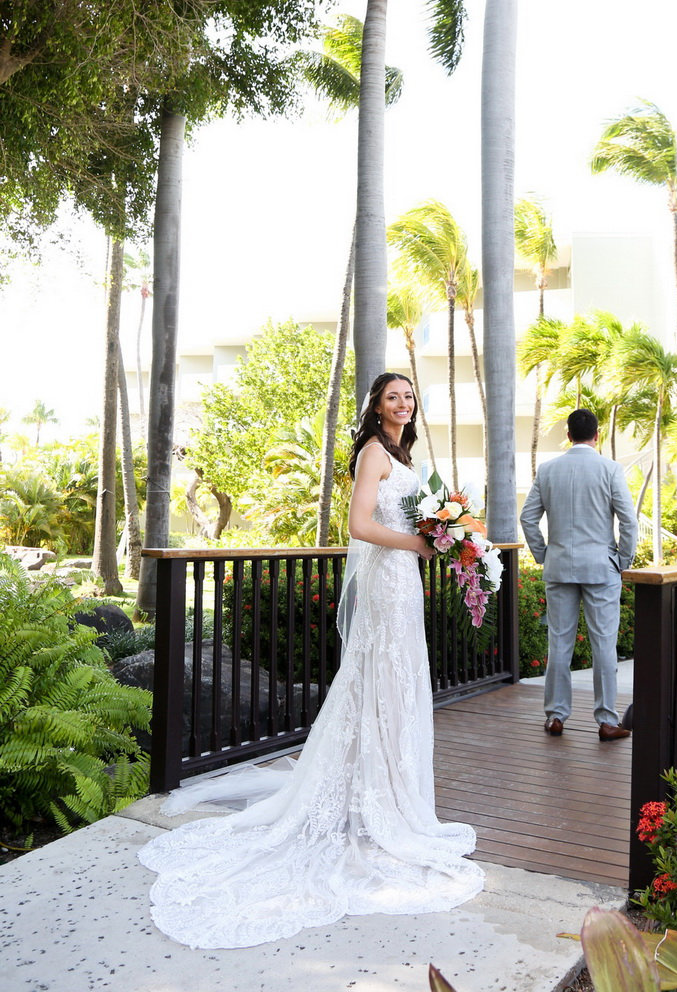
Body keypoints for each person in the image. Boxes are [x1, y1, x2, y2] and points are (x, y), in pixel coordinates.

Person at [140, 372, 483, 949]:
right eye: (393, 397)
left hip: (404, 580)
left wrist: (447, 535)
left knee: (396, 683)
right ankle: (375, 800)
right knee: (380, 680)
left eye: (408, 396)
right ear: (377, 406)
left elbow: (412, 518)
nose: (403, 403)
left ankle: (390, 793)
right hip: (387, 578)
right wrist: (420, 543)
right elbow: (359, 525)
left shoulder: (405, 455)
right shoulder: (373, 453)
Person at [521, 408, 638, 741]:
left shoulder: (548, 470)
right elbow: (628, 521)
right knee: (604, 645)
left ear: (568, 435)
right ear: (597, 435)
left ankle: (556, 716)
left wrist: (544, 554)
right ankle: (606, 720)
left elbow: (528, 518)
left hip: (559, 566)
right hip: (602, 568)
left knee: (559, 642)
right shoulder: (610, 469)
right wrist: (622, 560)